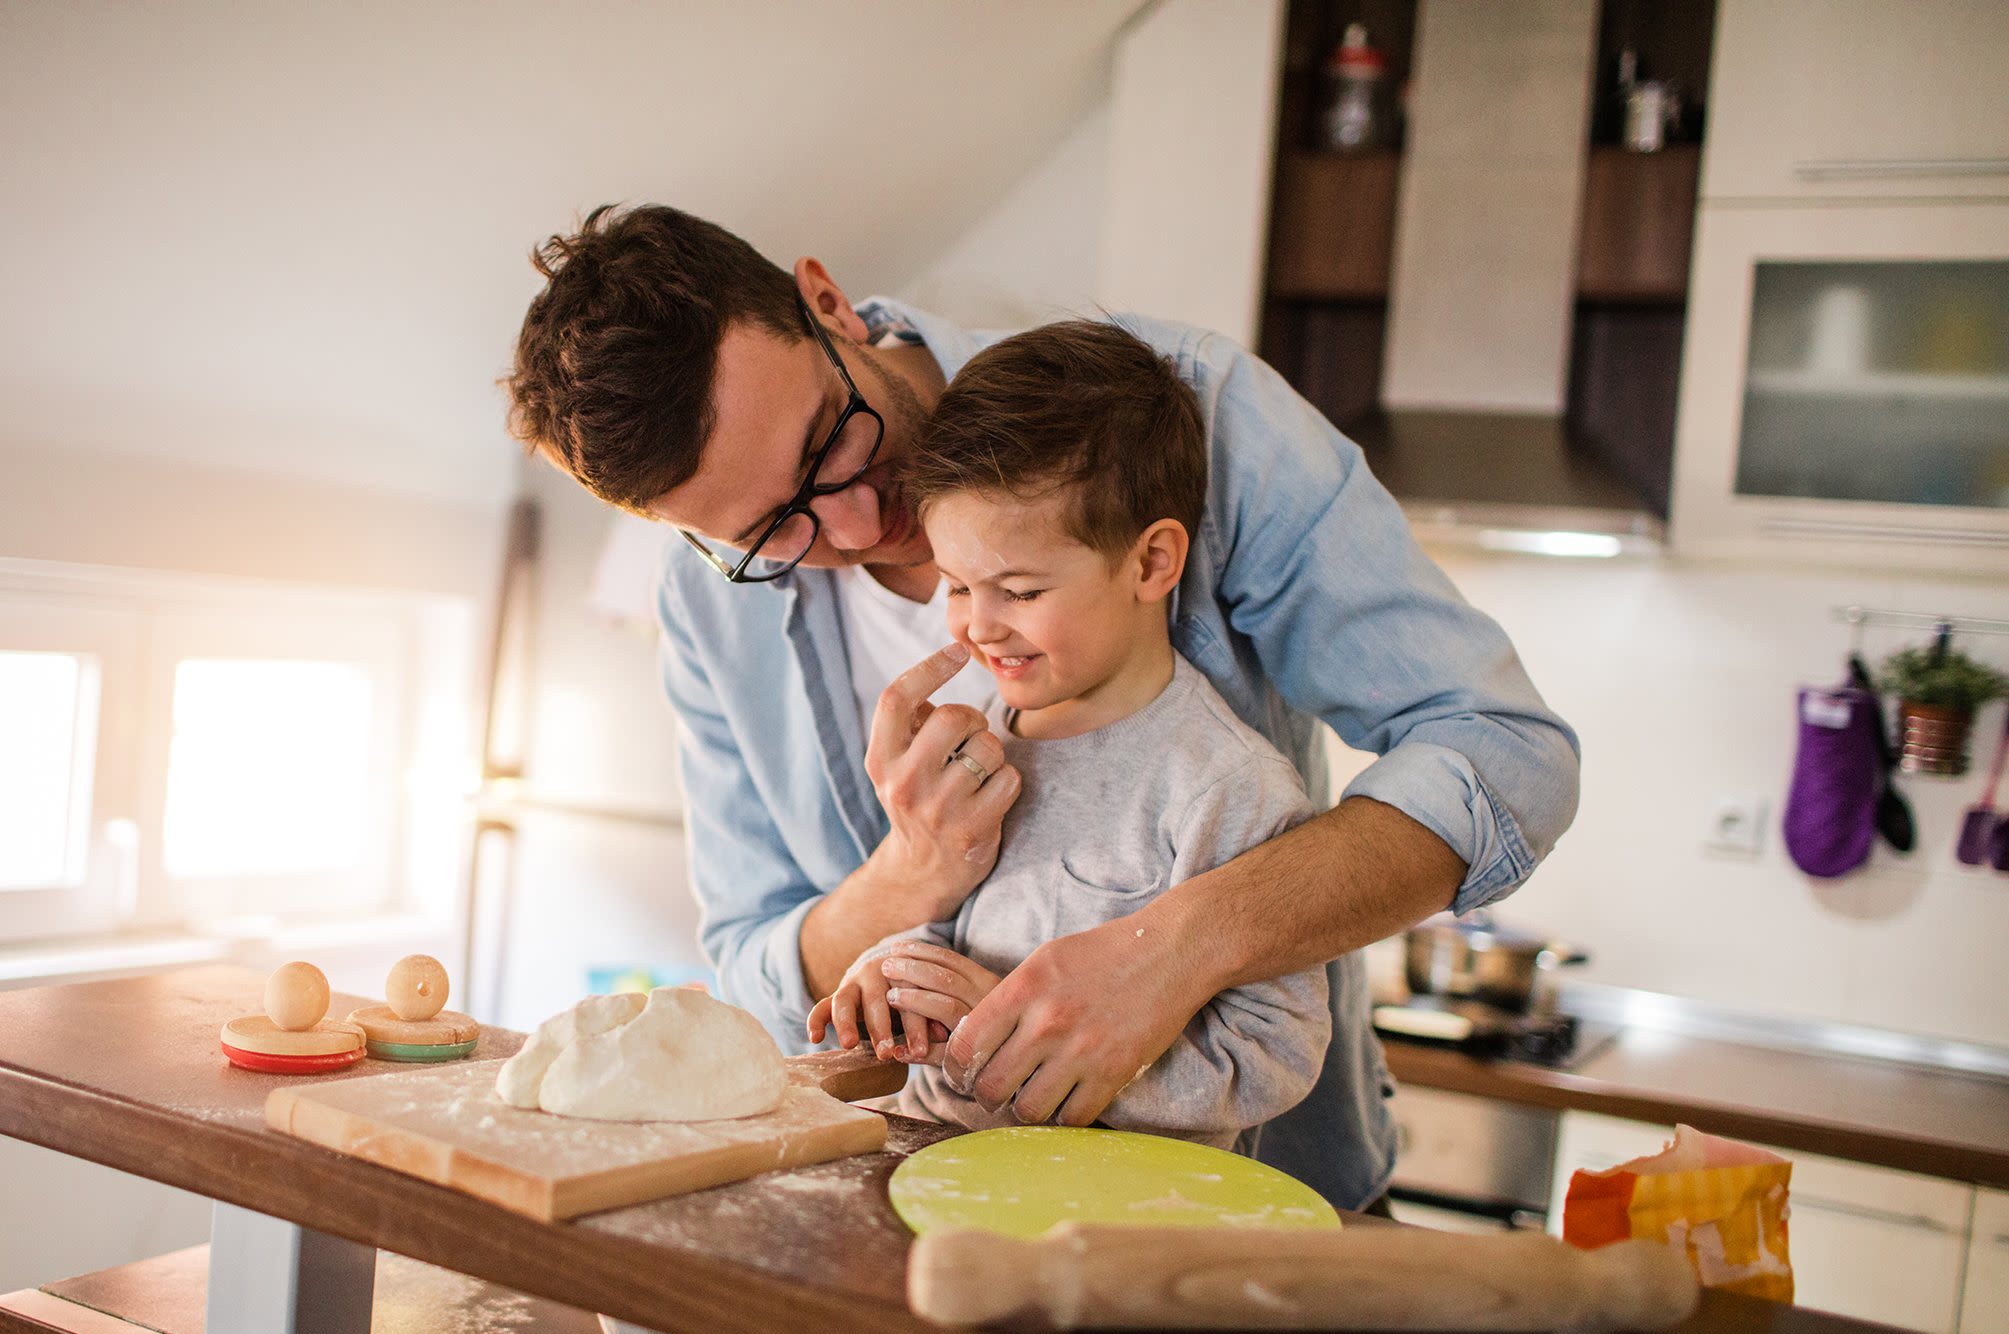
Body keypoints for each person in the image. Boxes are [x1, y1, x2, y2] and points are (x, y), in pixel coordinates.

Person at [505, 202, 1580, 1218]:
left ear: (828, 304)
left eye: (830, 440)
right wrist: (906, 883)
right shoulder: (707, 599)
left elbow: (1502, 752)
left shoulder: (1190, 416)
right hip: (921, 1216)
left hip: (1255, 1213)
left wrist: (1173, 950)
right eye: (768, 532)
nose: (856, 523)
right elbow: (754, 971)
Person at [808, 320, 1331, 1162]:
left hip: (1125, 1220)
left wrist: (1004, 1032)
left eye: (1018, 591)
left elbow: (1269, 1057)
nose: (978, 627)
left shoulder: (1226, 787)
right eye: (955, 587)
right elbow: (945, 932)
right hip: (936, 1186)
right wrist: (895, 974)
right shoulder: (969, 746)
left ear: (1151, 563)